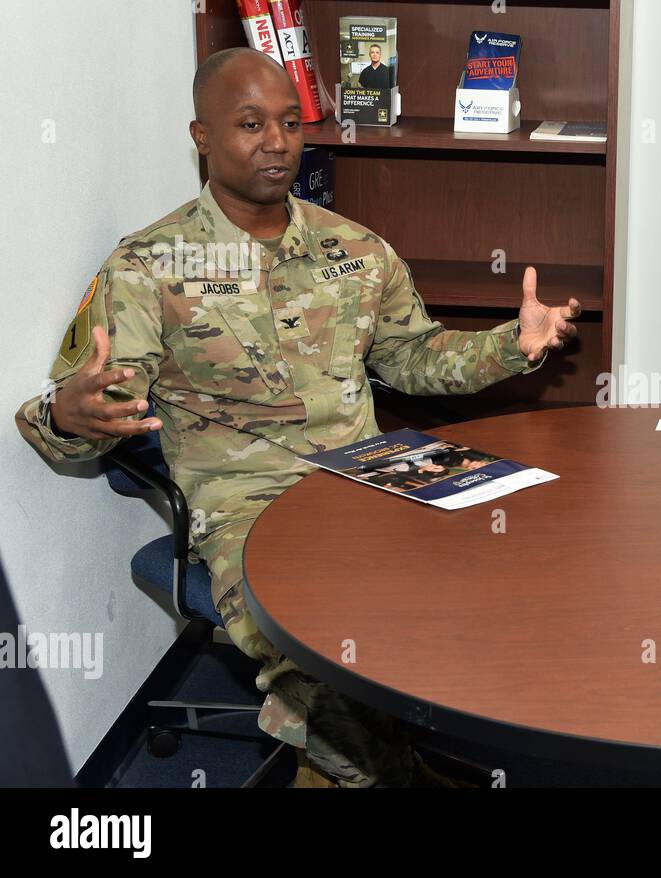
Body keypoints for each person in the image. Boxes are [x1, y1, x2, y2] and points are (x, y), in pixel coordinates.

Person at [14, 48, 580, 787]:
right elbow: (86, 404)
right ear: (202, 137)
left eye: (287, 122)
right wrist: (68, 410)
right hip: (249, 507)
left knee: (516, 572)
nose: (276, 141)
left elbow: (414, 358)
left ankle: (389, 753)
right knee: (327, 647)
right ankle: (363, 770)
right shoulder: (150, 266)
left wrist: (516, 345)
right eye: (249, 124)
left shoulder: (357, 249)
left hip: (370, 478)